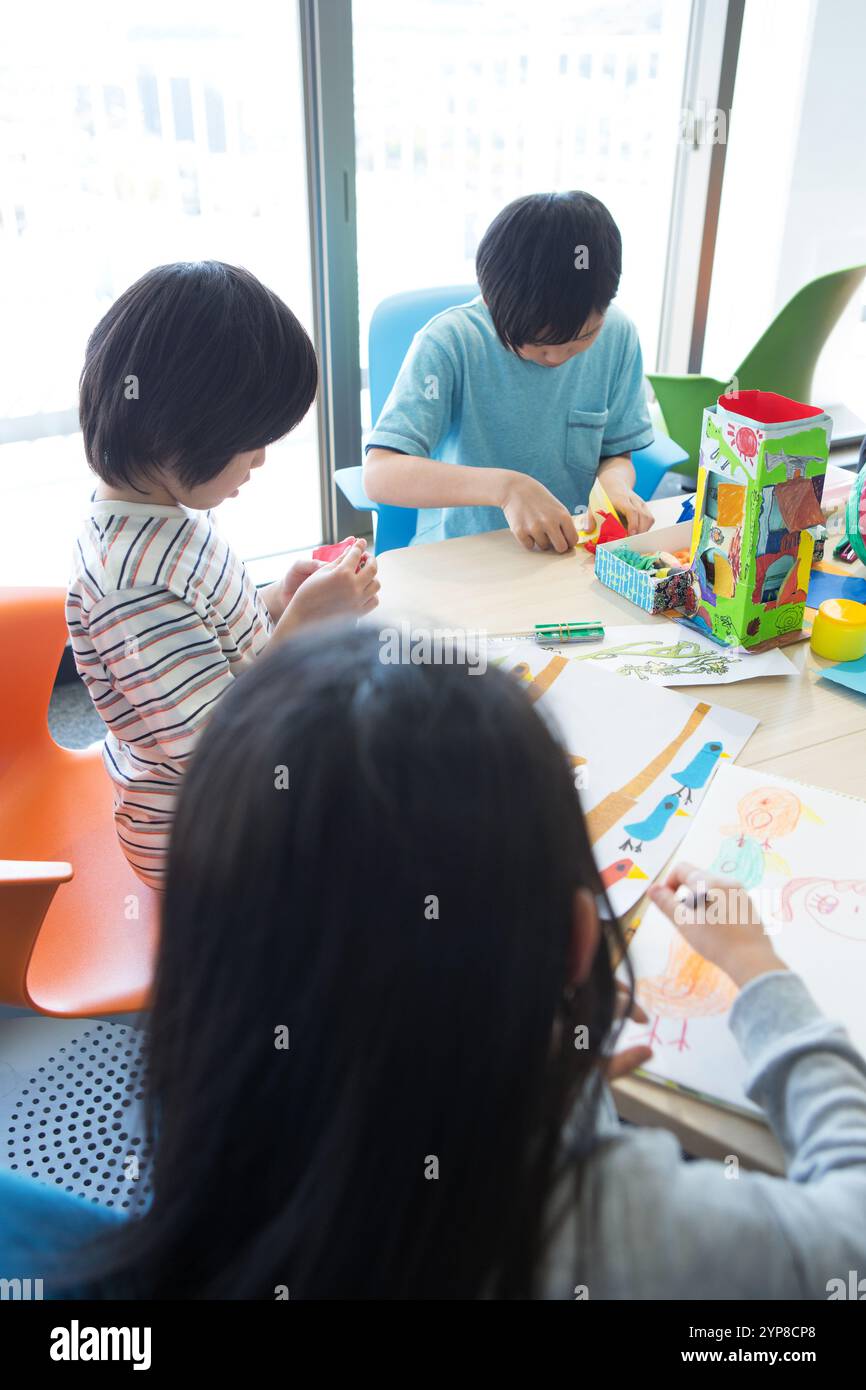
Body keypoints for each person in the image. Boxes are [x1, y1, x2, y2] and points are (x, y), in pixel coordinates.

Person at [17, 624, 862, 1299]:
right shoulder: (614, 1223)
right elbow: (851, 1246)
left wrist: (549, 1099)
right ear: (577, 942)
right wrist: (760, 975)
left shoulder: (209, 1124)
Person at [66, 261, 379, 888]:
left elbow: (209, 629)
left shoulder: (160, 514)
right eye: (251, 439)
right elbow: (213, 740)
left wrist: (274, 600)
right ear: (179, 429)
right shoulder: (131, 584)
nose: (261, 458)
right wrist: (298, 631)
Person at [364, 190, 655, 550]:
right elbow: (379, 473)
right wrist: (505, 488)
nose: (557, 357)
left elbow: (615, 453)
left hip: (567, 553)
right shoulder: (451, 342)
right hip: (464, 554)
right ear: (491, 303)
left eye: (582, 337)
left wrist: (615, 484)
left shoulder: (618, 335)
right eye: (538, 343)